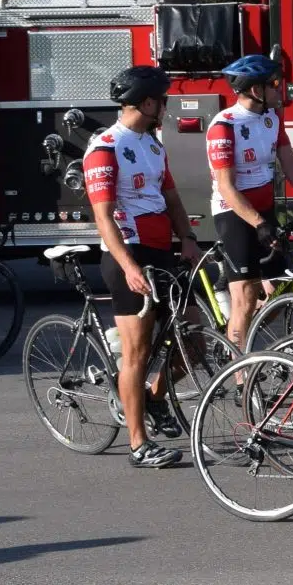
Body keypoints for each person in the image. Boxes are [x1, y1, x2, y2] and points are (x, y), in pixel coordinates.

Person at [82, 66, 201, 469]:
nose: (166, 106)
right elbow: (103, 217)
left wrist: (187, 239)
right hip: (127, 255)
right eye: (163, 99)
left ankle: (153, 399)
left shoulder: (152, 145)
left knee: (195, 340)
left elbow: (171, 197)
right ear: (148, 102)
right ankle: (139, 444)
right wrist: (129, 266)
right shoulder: (105, 147)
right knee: (137, 352)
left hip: (162, 251)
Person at [207, 52, 293, 348]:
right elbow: (226, 186)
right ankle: (240, 380)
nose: (280, 89)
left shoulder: (272, 117)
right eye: (274, 84)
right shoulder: (224, 126)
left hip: (264, 211)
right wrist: (258, 223)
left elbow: (290, 163)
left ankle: (236, 334)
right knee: (245, 295)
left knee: (282, 289)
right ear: (256, 90)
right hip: (235, 215)